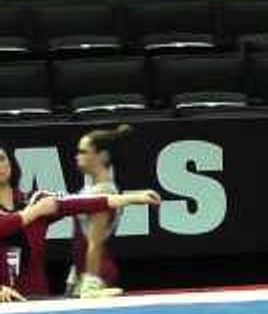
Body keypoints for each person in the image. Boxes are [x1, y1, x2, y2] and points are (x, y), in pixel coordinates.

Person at [0, 143, 160, 299]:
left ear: (10, 162)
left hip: (36, 299)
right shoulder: (38, 206)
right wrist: (35, 211)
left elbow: (82, 202)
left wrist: (131, 198)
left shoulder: (34, 199)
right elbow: (6, 225)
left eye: (1, 158)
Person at [65, 124, 133, 299]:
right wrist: (74, 276)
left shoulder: (104, 192)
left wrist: (91, 283)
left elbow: (95, 242)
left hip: (98, 274)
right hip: (85, 272)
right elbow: (81, 237)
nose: (77, 156)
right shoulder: (89, 189)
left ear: (102, 156)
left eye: (83, 152)